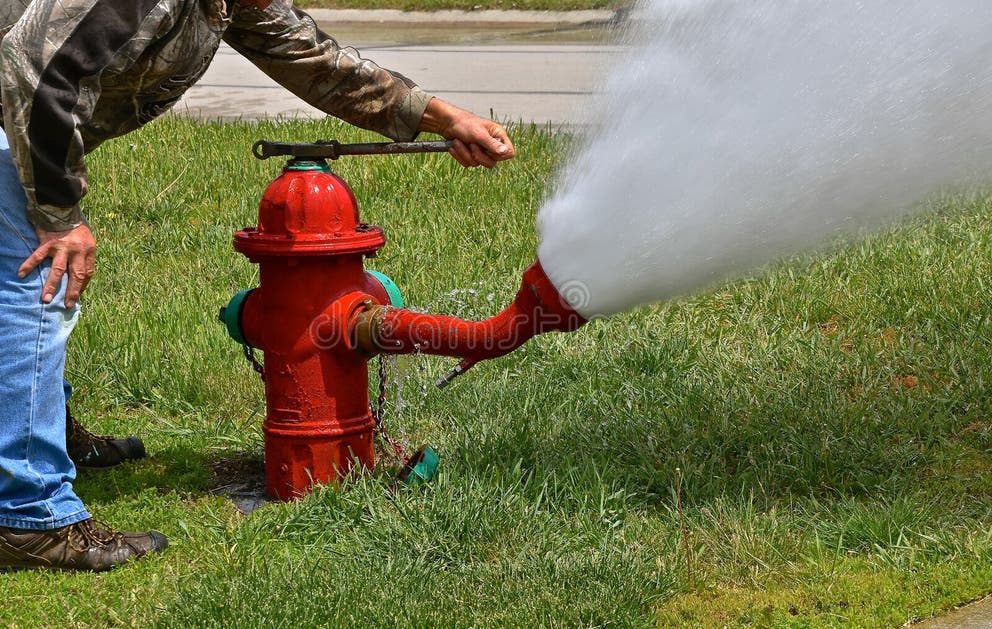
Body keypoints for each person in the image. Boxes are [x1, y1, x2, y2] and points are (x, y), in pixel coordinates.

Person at [0, 0, 515, 572]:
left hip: (22, 125)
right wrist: (59, 214)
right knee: (39, 292)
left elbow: (317, 62)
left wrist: (442, 118)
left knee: (36, 288)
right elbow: (30, 67)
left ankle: (42, 436)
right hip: (14, 121)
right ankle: (30, 513)